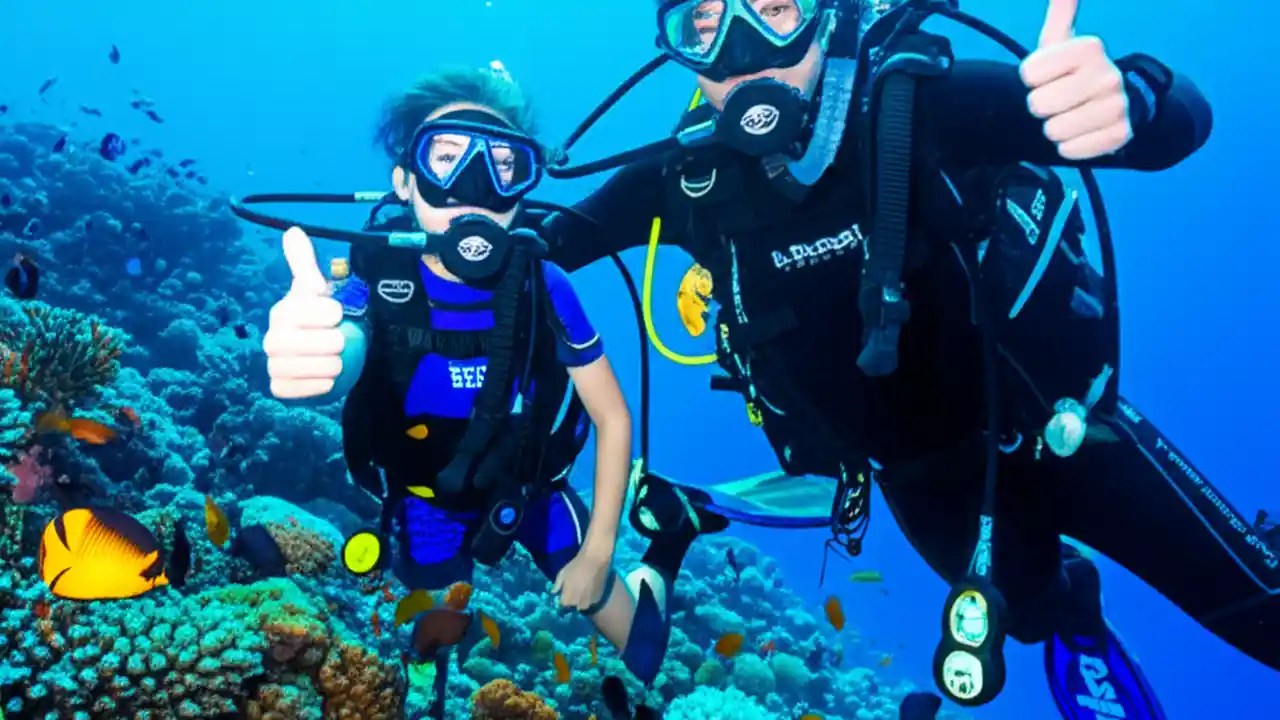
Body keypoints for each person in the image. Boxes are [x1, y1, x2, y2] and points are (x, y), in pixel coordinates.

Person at [538, 0, 1275, 716]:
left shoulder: (923, 105)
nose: (740, 48)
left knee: (1264, 615)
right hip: (923, 481)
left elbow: (1180, 123)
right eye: (703, 23)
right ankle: (1073, 606)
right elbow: (540, 247)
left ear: (826, 13)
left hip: (1058, 431)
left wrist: (1134, 99)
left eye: (774, 9)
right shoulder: (688, 182)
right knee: (1029, 613)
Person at [260, 66, 699, 717]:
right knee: (430, 644)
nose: (474, 188)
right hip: (425, 500)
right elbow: (343, 343)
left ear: (524, 186)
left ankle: (668, 547)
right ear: (404, 181)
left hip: (529, 494)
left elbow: (611, 417)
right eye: (446, 158)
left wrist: (600, 551)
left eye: (503, 165)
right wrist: (317, 357)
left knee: (643, 653)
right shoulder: (377, 276)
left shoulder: (543, 284)